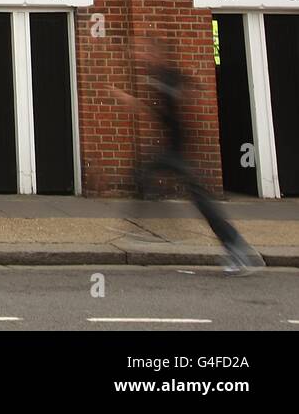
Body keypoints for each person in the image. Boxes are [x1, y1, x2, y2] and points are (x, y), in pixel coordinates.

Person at [108, 36, 262, 274]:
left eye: (142, 50)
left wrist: (134, 101)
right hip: (172, 150)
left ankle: (236, 248)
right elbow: (169, 108)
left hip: (179, 151)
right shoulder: (159, 77)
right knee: (146, 174)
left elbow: (182, 98)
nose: (138, 55)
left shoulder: (167, 77)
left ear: (155, 53)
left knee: (201, 200)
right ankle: (153, 227)